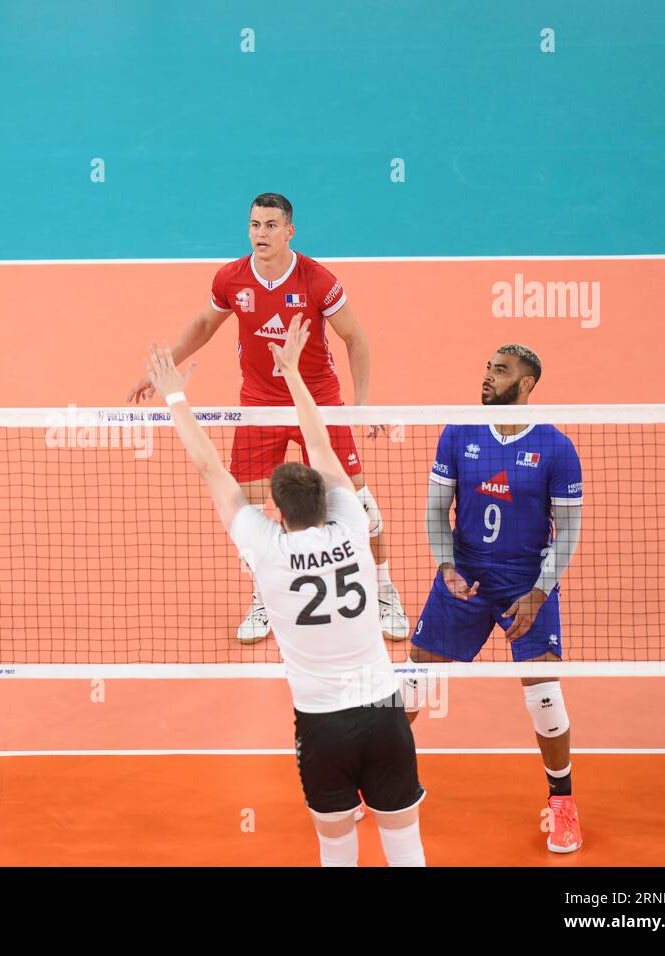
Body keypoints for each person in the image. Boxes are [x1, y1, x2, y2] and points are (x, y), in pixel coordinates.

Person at [145, 317, 426, 866]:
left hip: (322, 726)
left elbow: (210, 469)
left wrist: (174, 393)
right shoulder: (349, 524)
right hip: (384, 713)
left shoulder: (265, 548)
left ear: (277, 510)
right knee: (405, 845)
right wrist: (294, 374)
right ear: (325, 497)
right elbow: (320, 441)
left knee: (336, 849)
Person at [127, 192, 408, 644]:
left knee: (361, 507)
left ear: (289, 230)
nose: (262, 233)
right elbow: (203, 325)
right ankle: (264, 597)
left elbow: (355, 338)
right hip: (258, 402)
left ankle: (385, 590)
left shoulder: (317, 280)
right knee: (253, 509)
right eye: (256, 224)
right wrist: (162, 370)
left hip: (316, 399)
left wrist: (363, 403)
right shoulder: (232, 278)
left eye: (272, 225)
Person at [407, 345, 584, 852]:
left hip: (528, 584)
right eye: (487, 368)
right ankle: (379, 779)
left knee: (544, 696)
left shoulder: (555, 447)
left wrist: (539, 591)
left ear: (526, 384)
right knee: (412, 685)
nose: (487, 378)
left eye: (500, 371)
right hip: (465, 579)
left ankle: (563, 803)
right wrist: (446, 567)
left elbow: (568, 532)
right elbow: (435, 511)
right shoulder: (459, 432)